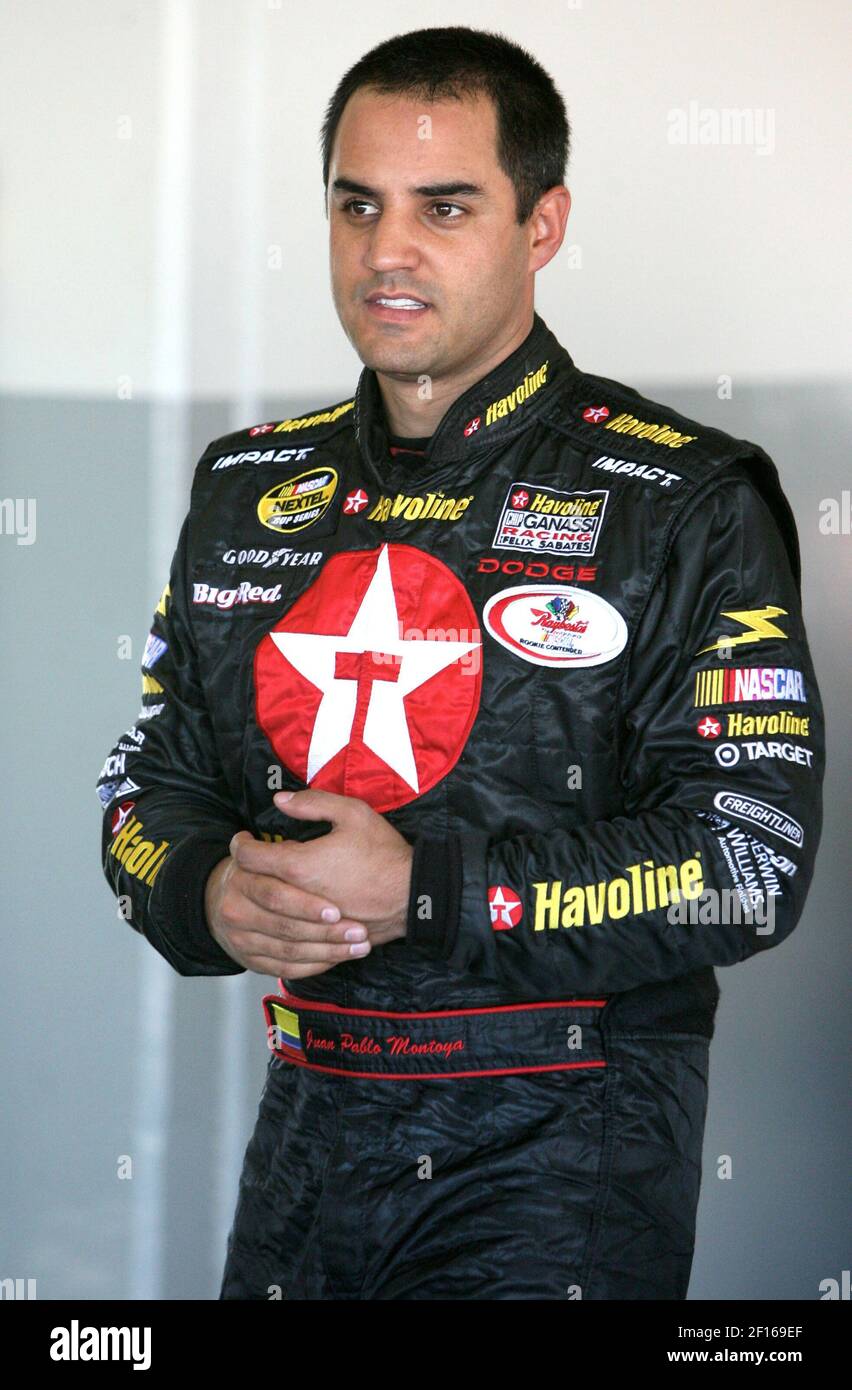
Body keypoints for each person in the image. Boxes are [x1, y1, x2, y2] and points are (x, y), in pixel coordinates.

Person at [96, 26, 824, 1300]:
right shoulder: (246, 486)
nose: (388, 250)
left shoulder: (685, 498)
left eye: (446, 207)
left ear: (542, 225)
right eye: (357, 204)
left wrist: (430, 889)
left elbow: (749, 862)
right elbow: (144, 784)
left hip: (565, 1156)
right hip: (306, 1139)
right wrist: (203, 890)